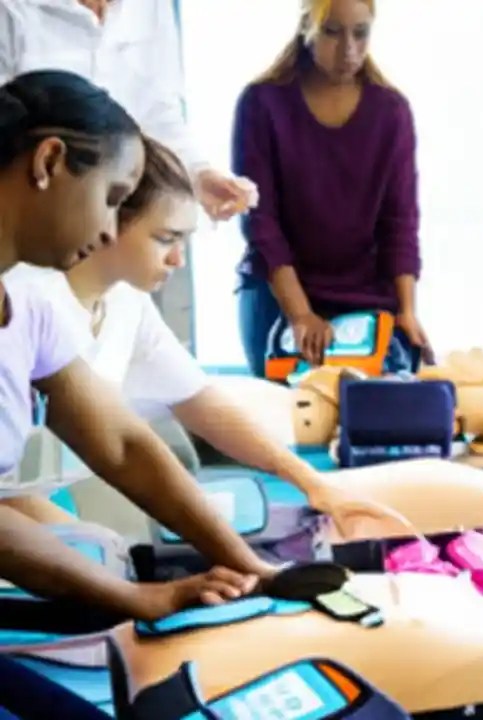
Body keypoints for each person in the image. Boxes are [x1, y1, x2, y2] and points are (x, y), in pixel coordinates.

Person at [0, 70, 280, 719]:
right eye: (111, 197)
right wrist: (141, 599)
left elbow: (122, 444)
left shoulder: (28, 304)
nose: (108, 229)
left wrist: (249, 566)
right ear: (49, 162)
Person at [3, 135, 393, 538]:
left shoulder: (126, 304)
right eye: (166, 239)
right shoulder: (25, 300)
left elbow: (198, 400)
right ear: (107, 217)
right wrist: (95, 554)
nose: (178, 259)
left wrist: (314, 483)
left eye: (184, 241)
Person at [233, 0, 427, 377]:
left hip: (365, 290)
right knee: (293, 413)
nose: (349, 50)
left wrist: (406, 311)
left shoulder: (392, 111)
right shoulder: (261, 103)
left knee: (380, 406)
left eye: (361, 33)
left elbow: (400, 222)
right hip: (279, 289)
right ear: (307, 28)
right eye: (332, 32)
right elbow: (261, 222)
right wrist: (301, 314)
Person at [0, 0, 256, 221]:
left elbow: (158, 109)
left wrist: (198, 174)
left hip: (117, 215)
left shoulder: (150, 6)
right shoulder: (11, 9)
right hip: (31, 213)